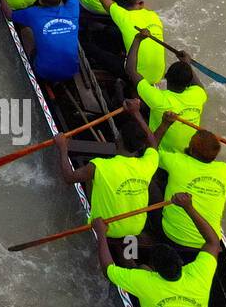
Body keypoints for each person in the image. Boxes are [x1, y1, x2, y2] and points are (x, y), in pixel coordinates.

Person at [96, 192, 219, 307]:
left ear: (154, 270)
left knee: (139, 268)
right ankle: (125, 248)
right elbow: (213, 242)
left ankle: (121, 247)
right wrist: (188, 207)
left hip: (143, 283)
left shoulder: (146, 281)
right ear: (181, 262)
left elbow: (108, 269)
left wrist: (101, 234)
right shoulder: (200, 274)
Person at [57, 99, 159, 237]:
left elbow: (69, 177)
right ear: (141, 146)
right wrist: (136, 113)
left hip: (106, 230)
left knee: (90, 178)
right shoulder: (148, 164)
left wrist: (62, 147)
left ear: (118, 138)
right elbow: (153, 143)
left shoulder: (99, 165)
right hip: (136, 228)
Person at [157, 126, 226, 249]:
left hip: (171, 236)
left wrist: (166, 123)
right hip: (209, 244)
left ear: (191, 150)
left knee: (154, 186)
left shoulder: (177, 160)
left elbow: (150, 151)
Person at [4, 0, 80, 80]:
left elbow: (8, 14)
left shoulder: (33, 13)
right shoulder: (73, 9)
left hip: (43, 72)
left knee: (25, 30)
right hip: (72, 71)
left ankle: (32, 64)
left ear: (40, 0)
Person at [131, 31, 207, 153]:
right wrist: (186, 64)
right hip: (186, 151)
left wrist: (137, 39)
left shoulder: (160, 99)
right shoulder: (199, 95)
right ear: (189, 84)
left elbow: (131, 70)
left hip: (161, 152)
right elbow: (199, 85)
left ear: (166, 77)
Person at [95, 0, 166, 85]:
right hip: (158, 76)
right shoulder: (154, 15)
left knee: (93, 49)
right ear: (140, 3)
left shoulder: (123, 15)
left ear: (119, 6)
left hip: (135, 76)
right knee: (119, 33)